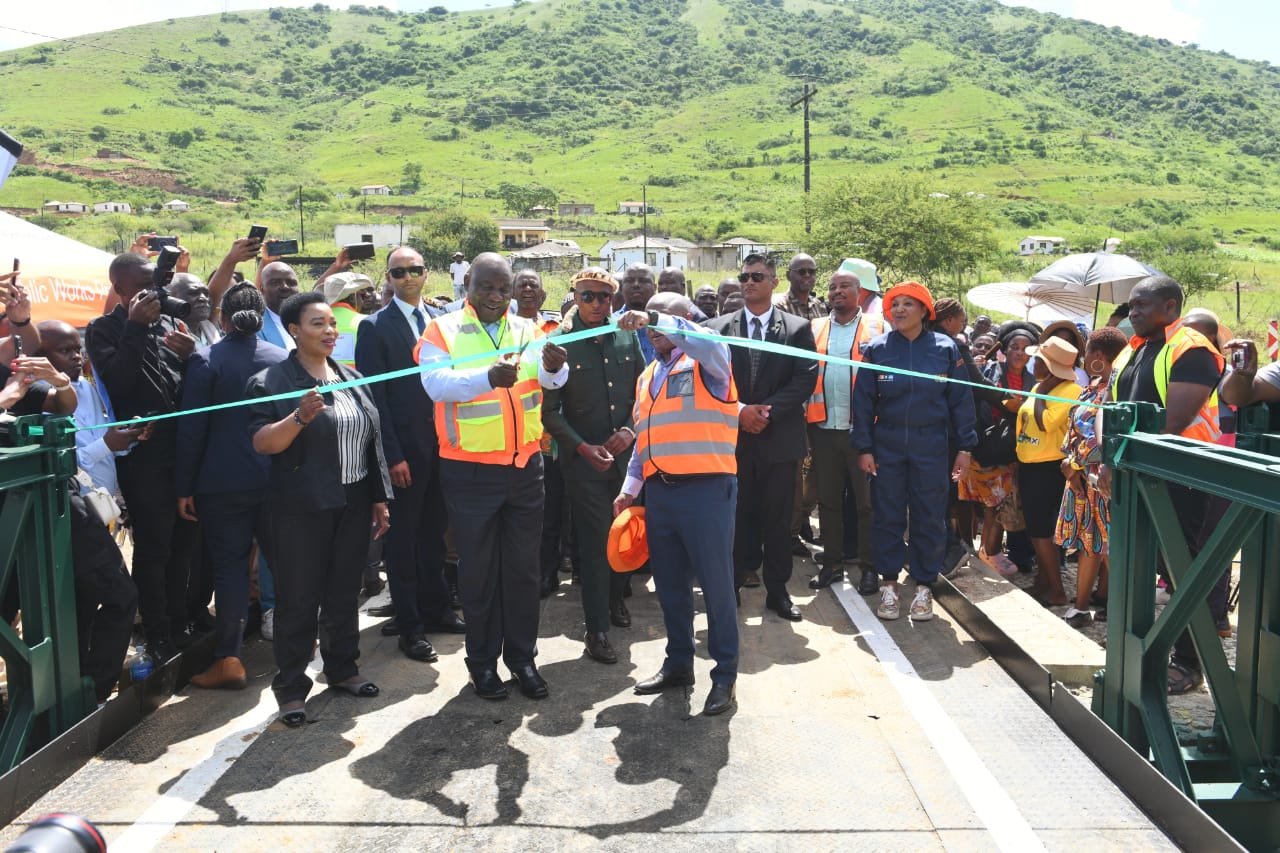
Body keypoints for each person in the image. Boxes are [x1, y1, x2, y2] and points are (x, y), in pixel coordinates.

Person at [414, 253, 569, 701]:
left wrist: (556, 367)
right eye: (488, 288)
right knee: (479, 573)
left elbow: (548, 382)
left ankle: (522, 659)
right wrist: (486, 378)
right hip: (471, 471)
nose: (497, 297)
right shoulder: (441, 330)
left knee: (523, 572)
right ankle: (481, 664)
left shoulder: (527, 329)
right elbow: (435, 384)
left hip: (525, 468)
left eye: (503, 289)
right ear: (468, 287)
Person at [248, 291, 392, 727]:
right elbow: (261, 442)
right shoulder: (271, 382)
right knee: (299, 598)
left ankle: (343, 668)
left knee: (344, 592)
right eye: (317, 324)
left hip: (352, 502)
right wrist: (298, 418)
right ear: (294, 331)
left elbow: (371, 440)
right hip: (298, 508)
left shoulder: (351, 376)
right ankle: (292, 690)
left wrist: (378, 497)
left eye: (332, 323)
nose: (330, 331)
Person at [613, 293, 740, 716]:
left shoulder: (709, 361)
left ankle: (724, 677)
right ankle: (679, 665)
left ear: (685, 320)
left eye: (661, 318)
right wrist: (630, 488)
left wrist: (657, 317)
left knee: (717, 589)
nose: (652, 328)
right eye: (648, 321)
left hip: (706, 491)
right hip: (661, 493)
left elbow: (707, 344)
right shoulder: (649, 375)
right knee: (670, 588)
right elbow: (643, 436)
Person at [1099, 276, 1225, 695]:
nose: (1132, 313)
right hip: (1135, 470)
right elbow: (1112, 408)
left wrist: (1122, 455)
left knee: (1185, 569)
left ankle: (1190, 662)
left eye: (1142, 306)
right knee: (1143, 561)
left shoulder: (1191, 349)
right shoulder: (1132, 351)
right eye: (1131, 306)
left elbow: (1173, 421)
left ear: (1170, 307)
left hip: (1183, 475)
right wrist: (1108, 460)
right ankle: (1141, 648)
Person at [85, 252, 198, 664]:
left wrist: (192, 357)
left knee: (185, 542)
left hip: (181, 452)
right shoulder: (104, 329)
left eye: (154, 286)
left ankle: (181, 617)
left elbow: (192, 388)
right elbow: (118, 382)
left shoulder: (173, 324)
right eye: (139, 289)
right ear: (119, 289)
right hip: (144, 458)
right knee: (154, 548)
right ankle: (157, 631)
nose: (150, 296)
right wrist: (135, 327)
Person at [177, 283, 289, 689]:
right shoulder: (281, 359)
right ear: (261, 317)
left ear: (222, 318)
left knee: (230, 571)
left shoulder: (205, 362)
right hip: (276, 481)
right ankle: (303, 647)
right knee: (288, 563)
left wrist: (184, 487)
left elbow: (192, 431)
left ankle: (229, 659)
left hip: (221, 484)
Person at [355, 247, 460, 663]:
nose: (408, 278)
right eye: (399, 273)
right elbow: (374, 397)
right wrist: (391, 455)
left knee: (435, 533)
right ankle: (410, 625)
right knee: (403, 541)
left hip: (444, 448)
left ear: (426, 274)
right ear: (389, 278)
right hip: (404, 454)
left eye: (415, 270)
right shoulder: (375, 327)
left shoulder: (441, 322)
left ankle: (437, 610)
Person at [852, 282, 977, 622]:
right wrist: (864, 446)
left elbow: (961, 402)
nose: (900, 310)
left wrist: (965, 447)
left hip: (931, 446)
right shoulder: (877, 349)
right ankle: (890, 585)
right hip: (886, 445)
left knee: (929, 516)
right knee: (887, 515)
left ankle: (923, 587)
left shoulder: (945, 348)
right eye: (895, 305)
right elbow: (862, 402)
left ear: (925, 311)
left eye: (909, 304)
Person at [706, 253, 818, 621]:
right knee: (735, 517)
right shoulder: (719, 327)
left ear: (773, 282)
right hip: (732, 441)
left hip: (779, 439)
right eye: (744, 276)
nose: (749, 282)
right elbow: (709, 379)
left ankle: (779, 591)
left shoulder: (797, 328)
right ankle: (733, 584)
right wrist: (740, 412)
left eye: (757, 276)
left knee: (778, 519)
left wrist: (765, 411)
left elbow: (804, 378)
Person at [542, 268, 643, 664]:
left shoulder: (626, 334)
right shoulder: (557, 345)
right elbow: (551, 413)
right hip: (585, 464)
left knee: (626, 534)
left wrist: (630, 431)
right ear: (574, 297)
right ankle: (596, 627)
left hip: (626, 459)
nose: (598, 304)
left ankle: (617, 598)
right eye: (588, 297)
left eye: (605, 297)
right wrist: (583, 448)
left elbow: (641, 393)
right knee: (598, 543)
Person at [805, 269, 882, 593]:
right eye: (833, 287)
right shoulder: (815, 327)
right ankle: (832, 565)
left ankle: (869, 568)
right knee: (828, 501)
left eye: (845, 286)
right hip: (823, 428)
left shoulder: (878, 328)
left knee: (867, 504)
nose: (838, 292)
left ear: (859, 292)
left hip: (863, 432)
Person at [1056, 327, 1128, 627]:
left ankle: (1125, 613)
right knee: (1089, 544)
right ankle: (1082, 607)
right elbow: (1075, 428)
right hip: (1081, 480)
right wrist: (1069, 461)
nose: (1084, 358)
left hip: (1103, 482)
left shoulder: (1119, 390)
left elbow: (1103, 438)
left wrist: (1075, 463)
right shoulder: (1094, 385)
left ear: (1098, 356)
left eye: (1086, 352)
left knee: (1110, 548)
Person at [1014, 337, 1083, 606]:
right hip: (1028, 463)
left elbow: (1046, 423)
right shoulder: (1041, 387)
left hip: (1048, 467)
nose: (1033, 362)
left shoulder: (1071, 391)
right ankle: (1043, 581)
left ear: (1050, 366)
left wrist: (1043, 392)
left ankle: (1056, 590)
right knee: (1036, 529)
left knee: (1042, 531)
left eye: (1038, 359)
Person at [966, 323, 1039, 574]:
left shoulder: (1035, 381)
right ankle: (989, 553)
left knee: (1004, 504)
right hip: (988, 446)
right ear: (1005, 351)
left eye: (1025, 348)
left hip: (1017, 451)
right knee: (992, 504)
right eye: (1014, 347)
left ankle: (989, 553)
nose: (1019, 352)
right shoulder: (988, 372)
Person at [773, 253, 826, 555]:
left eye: (811, 272)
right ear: (790, 274)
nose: (807, 276)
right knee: (794, 471)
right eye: (801, 271)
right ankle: (789, 532)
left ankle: (803, 520)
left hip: (819, 398)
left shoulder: (820, 308)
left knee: (815, 470)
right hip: (792, 396)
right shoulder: (780, 306)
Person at [322, 271, 374, 367]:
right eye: (361, 296)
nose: (363, 300)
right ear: (352, 297)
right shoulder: (368, 322)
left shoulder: (314, 323)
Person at [256, 261, 302, 351]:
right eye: (275, 283)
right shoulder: (255, 327)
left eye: (291, 283)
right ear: (262, 289)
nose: (285, 287)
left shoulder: (309, 319)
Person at [617, 264, 658, 363]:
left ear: (655, 287)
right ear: (622, 288)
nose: (636, 285)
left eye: (643, 281)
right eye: (629, 281)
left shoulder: (667, 323)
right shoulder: (612, 324)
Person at [168, 273, 221, 348]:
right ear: (171, 298)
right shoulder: (168, 336)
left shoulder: (210, 328)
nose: (204, 298)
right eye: (193, 293)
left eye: (206, 293)